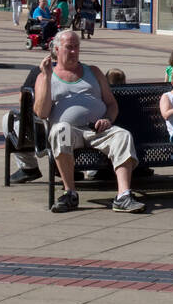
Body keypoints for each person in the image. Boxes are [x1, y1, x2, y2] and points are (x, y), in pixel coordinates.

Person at [34, 30, 146, 213]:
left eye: (76, 47)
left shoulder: (93, 71)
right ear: (56, 49)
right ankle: (70, 193)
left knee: (122, 135)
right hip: (69, 131)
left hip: (97, 130)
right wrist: (46, 77)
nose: (73, 52)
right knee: (60, 130)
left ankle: (124, 196)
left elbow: (111, 104)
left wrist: (108, 120)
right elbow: (42, 112)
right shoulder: (45, 76)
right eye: (68, 47)